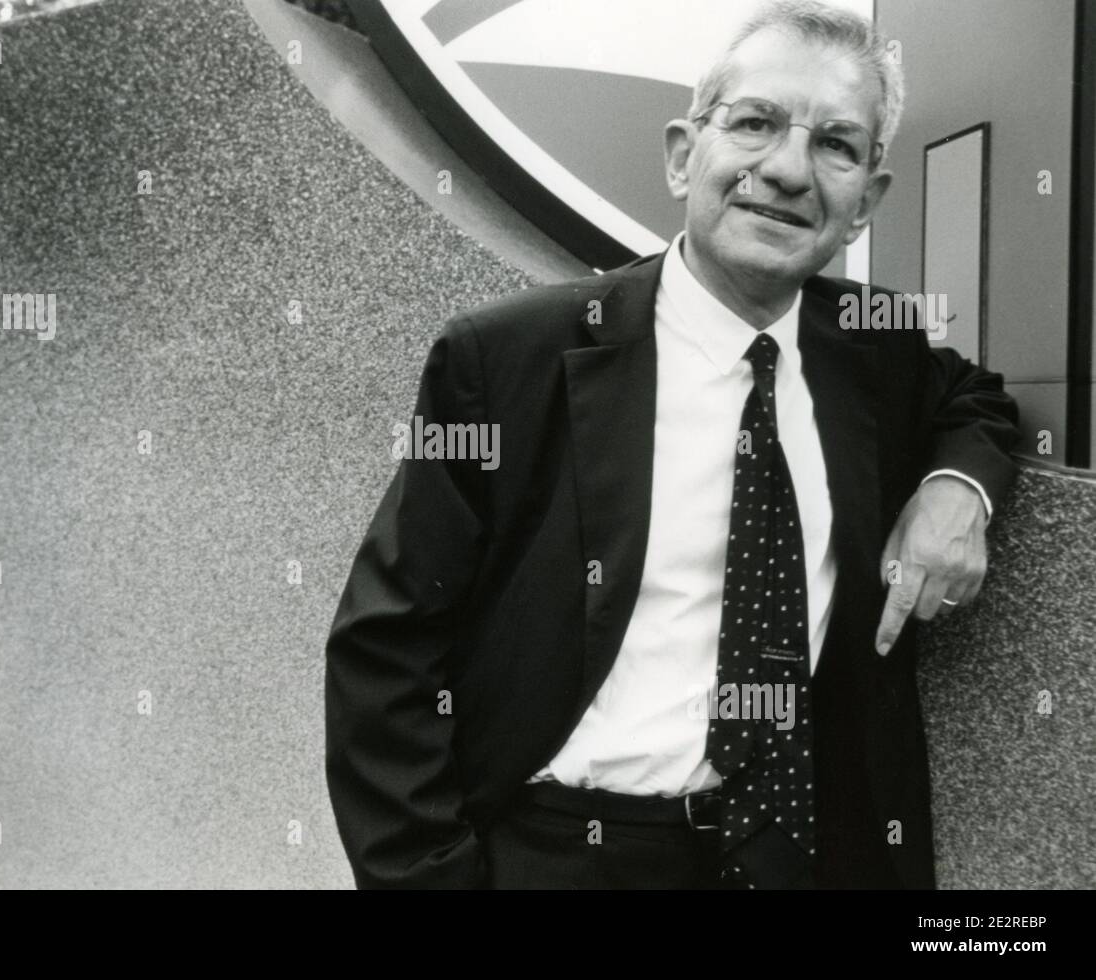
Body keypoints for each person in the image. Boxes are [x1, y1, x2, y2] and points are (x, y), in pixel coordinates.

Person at [324, 0, 1021, 889]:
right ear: (684, 153)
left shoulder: (871, 349)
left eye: (837, 145)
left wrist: (959, 489)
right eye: (757, 123)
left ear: (865, 202)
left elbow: (977, 399)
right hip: (570, 850)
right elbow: (385, 650)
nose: (788, 170)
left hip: (798, 853)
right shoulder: (509, 359)